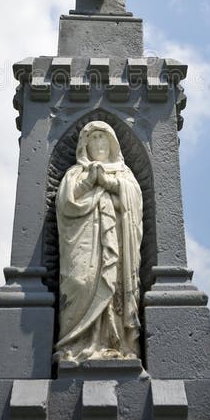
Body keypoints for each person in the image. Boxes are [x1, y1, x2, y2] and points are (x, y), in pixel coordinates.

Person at [54, 121, 143, 363]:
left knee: (112, 287)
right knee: (80, 281)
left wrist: (109, 184)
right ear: (85, 145)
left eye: (103, 138)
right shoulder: (75, 173)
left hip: (116, 244)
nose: (99, 144)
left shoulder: (124, 174)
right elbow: (66, 204)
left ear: (112, 143)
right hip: (83, 242)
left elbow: (133, 204)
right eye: (93, 138)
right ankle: (74, 344)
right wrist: (88, 182)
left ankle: (115, 343)